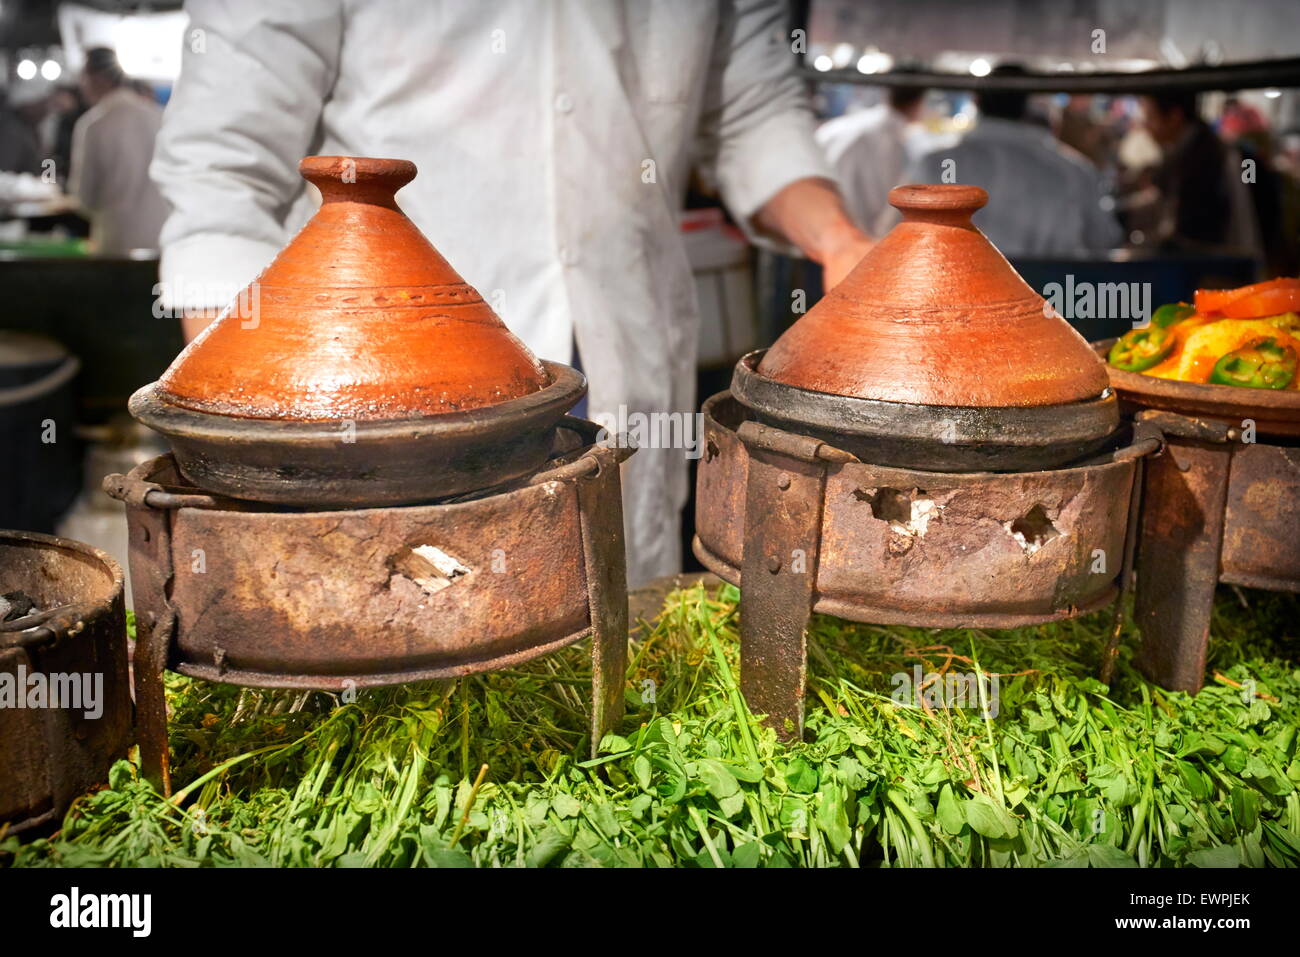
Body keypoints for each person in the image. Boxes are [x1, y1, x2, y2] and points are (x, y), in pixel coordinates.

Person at [150, 1, 873, 587]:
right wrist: (245, 444)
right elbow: (224, 169)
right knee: (392, 628)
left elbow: (750, 110)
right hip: (378, 404)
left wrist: (839, 240)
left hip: (623, 364)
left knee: (606, 662)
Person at [901, 65, 1121, 256]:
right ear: (1030, 105)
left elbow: (896, 240)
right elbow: (1103, 242)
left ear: (976, 101)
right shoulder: (1074, 172)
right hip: (1051, 301)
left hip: (948, 299)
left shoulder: (933, 165)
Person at [69, 47, 169, 254]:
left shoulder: (93, 124)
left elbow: (85, 198)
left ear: (98, 78)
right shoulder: (160, 117)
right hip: (163, 241)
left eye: (84, 78)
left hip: (117, 244)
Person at [1142, 91, 1261, 257]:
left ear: (1174, 117)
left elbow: (1193, 232)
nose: (1146, 126)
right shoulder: (1193, 148)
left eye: (1150, 118)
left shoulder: (1203, 157)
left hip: (1221, 269)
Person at [816, 83, 927, 236]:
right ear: (919, 102)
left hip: (818, 227)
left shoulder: (842, 124)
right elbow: (888, 199)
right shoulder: (891, 139)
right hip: (852, 236)